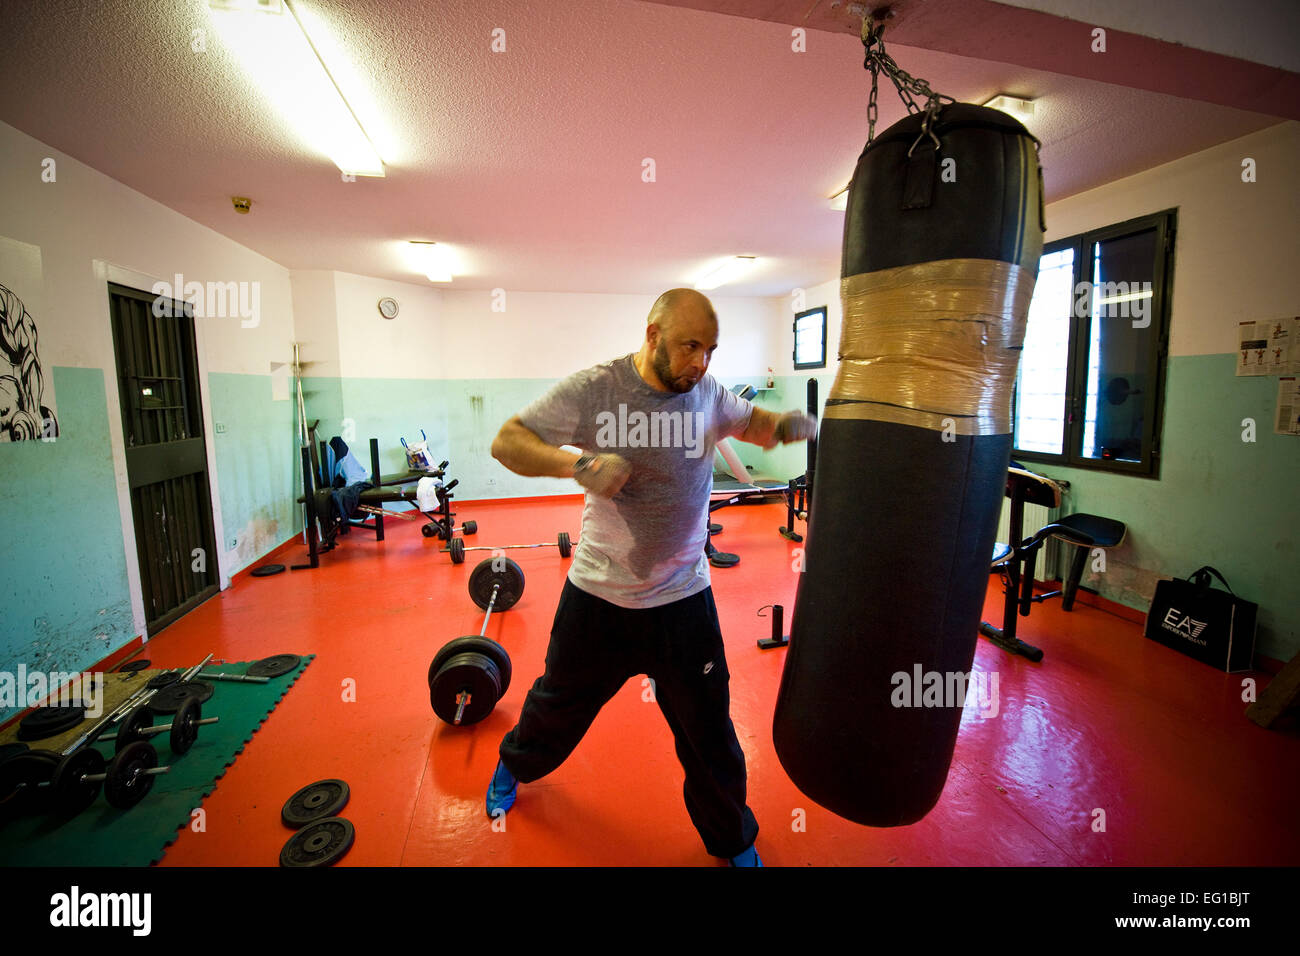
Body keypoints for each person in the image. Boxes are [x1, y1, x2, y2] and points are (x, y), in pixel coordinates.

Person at [485, 288, 817, 867]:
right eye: (691, 346)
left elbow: (756, 423)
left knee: (710, 732)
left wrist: (805, 425)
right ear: (653, 333)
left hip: (684, 601)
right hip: (599, 597)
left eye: (711, 350)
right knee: (558, 706)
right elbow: (508, 440)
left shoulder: (708, 393)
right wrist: (579, 464)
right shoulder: (598, 389)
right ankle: (514, 763)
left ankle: (733, 839)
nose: (701, 363)